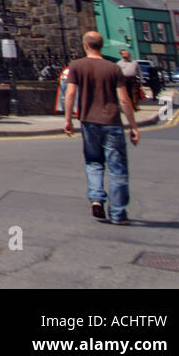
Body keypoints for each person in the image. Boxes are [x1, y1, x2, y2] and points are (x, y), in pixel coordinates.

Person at [64, 31, 139, 225]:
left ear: (85, 45)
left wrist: (68, 120)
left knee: (93, 162)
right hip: (112, 122)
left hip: (89, 122)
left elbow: (70, 94)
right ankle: (118, 214)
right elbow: (124, 99)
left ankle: (96, 198)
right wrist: (133, 126)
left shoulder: (76, 65)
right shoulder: (113, 68)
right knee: (117, 169)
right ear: (101, 45)